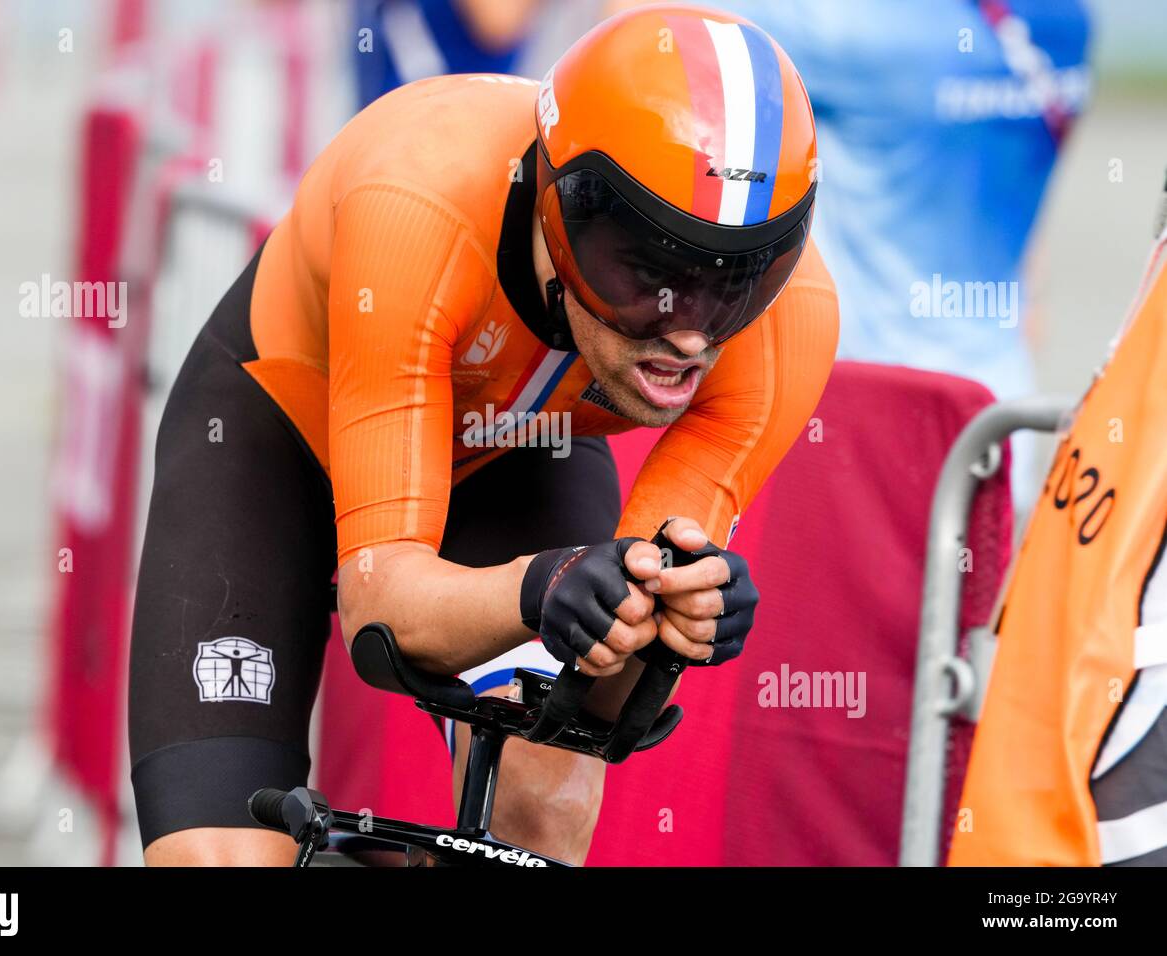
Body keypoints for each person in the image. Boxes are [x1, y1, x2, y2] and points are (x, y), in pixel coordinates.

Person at [128, 4, 838, 866]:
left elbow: (601, 700)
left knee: (544, 806)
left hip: (523, 451)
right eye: (647, 271)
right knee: (218, 861)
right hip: (281, 428)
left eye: (732, 282)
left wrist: (668, 624)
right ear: (560, 203)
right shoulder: (416, 199)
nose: (687, 333)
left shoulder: (790, 322)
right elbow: (382, 611)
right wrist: (543, 586)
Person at [712, 0, 1091, 497]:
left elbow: (657, 25)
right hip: (1000, 411)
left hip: (862, 412)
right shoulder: (1067, 21)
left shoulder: (854, 26)